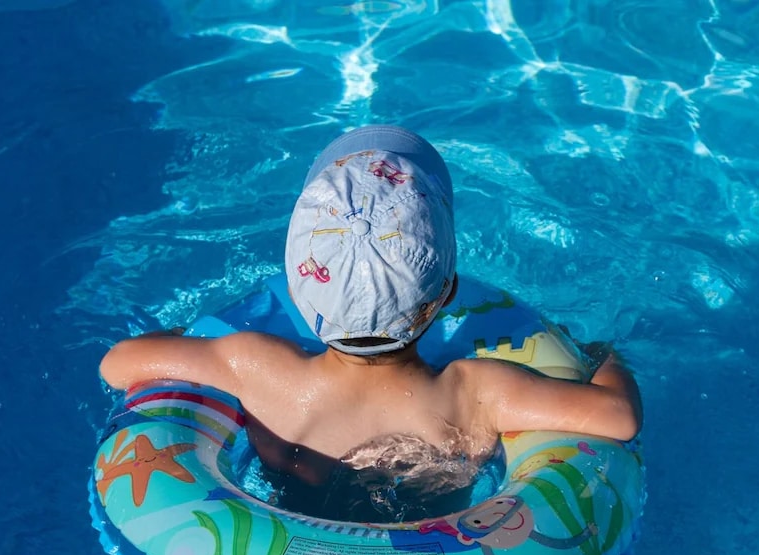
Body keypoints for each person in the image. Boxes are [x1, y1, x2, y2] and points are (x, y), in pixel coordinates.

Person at [99, 125, 642, 505]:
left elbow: (120, 364)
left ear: (298, 291)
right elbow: (618, 417)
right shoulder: (475, 393)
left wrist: (179, 336)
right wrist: (599, 355)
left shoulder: (254, 367)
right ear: (445, 293)